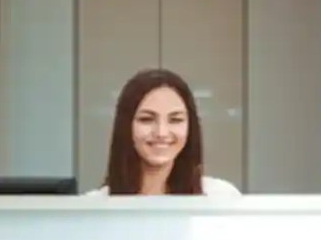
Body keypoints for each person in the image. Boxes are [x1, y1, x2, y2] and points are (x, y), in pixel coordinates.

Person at [87, 68, 240, 196]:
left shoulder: (221, 196)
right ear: (126, 126)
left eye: (175, 120)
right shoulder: (92, 207)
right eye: (146, 119)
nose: (161, 132)